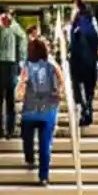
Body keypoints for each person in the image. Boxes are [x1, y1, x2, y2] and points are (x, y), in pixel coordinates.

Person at [17, 37, 64, 186]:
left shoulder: (27, 65)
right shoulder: (52, 64)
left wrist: (20, 91)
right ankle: (43, 176)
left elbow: (22, 85)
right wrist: (59, 93)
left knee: (27, 137)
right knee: (45, 144)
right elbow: (61, 80)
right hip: (48, 109)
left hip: (30, 109)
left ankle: (30, 157)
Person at [67, 0, 98, 127]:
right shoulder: (89, 21)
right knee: (89, 87)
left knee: (78, 86)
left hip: (79, 59)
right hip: (90, 59)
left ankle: (84, 109)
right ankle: (88, 109)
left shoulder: (76, 22)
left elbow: (73, 40)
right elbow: (97, 39)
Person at [0, 10, 27, 138]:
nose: (5, 18)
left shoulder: (15, 28)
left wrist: (11, 23)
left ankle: (10, 129)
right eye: (4, 16)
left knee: (10, 98)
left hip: (11, 64)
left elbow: (23, 37)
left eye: (8, 16)